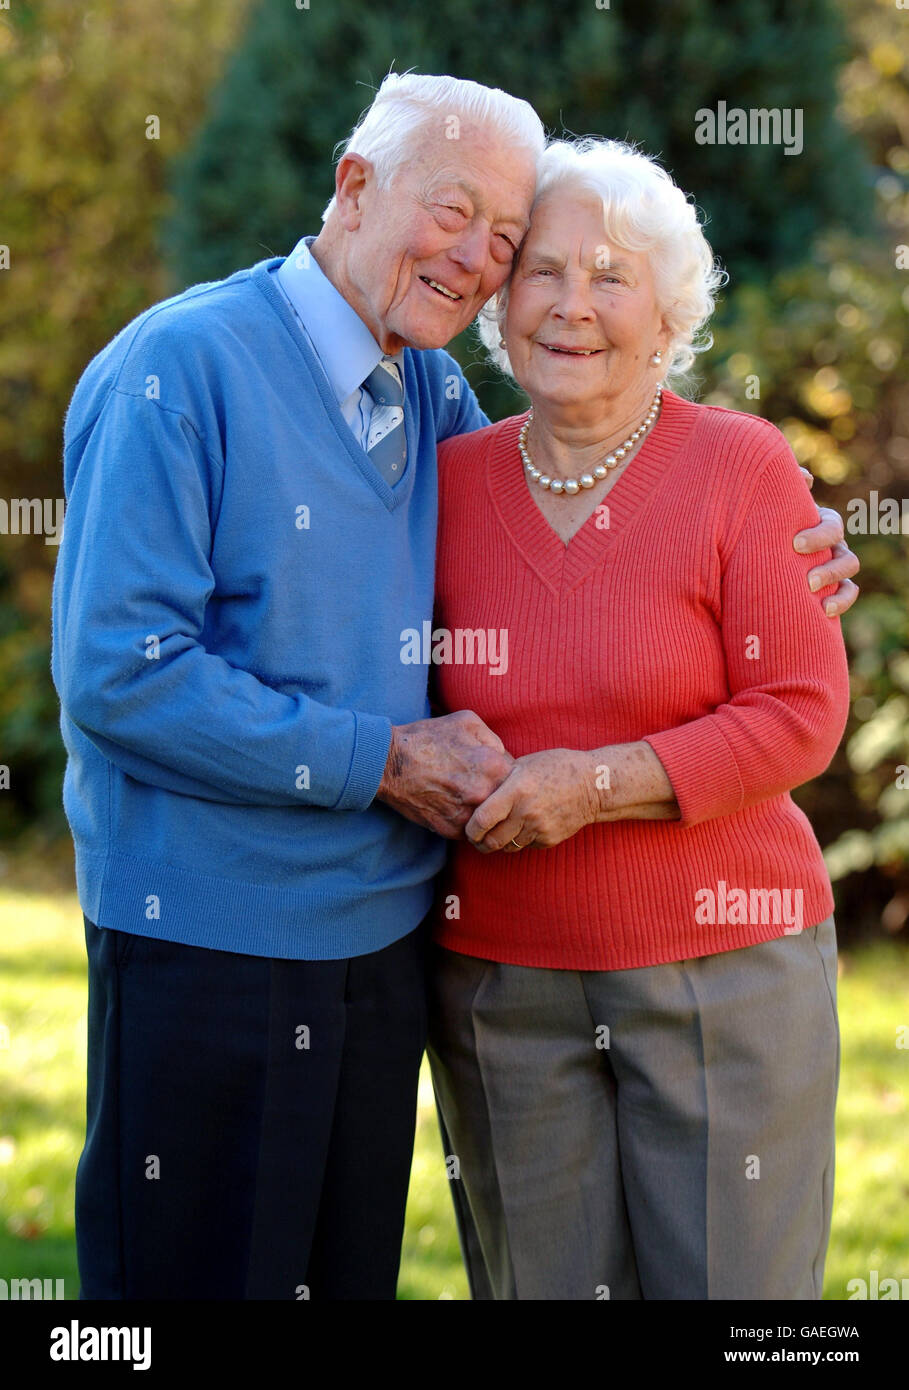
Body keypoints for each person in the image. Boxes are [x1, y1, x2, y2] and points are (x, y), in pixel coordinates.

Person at [52, 73, 856, 1301]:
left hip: (384, 953)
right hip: (218, 945)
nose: (486, 262)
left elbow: (620, 547)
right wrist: (382, 760)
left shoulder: (429, 400)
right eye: (467, 220)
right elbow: (119, 670)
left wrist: (799, 556)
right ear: (355, 183)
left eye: (504, 237)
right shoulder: (186, 366)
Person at [426, 136, 852, 1300]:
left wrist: (596, 782)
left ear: (668, 313)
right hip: (501, 980)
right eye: (543, 273)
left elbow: (803, 710)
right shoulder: (442, 482)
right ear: (501, 305)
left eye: (611, 277)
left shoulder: (741, 468)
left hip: (726, 965)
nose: (571, 306)